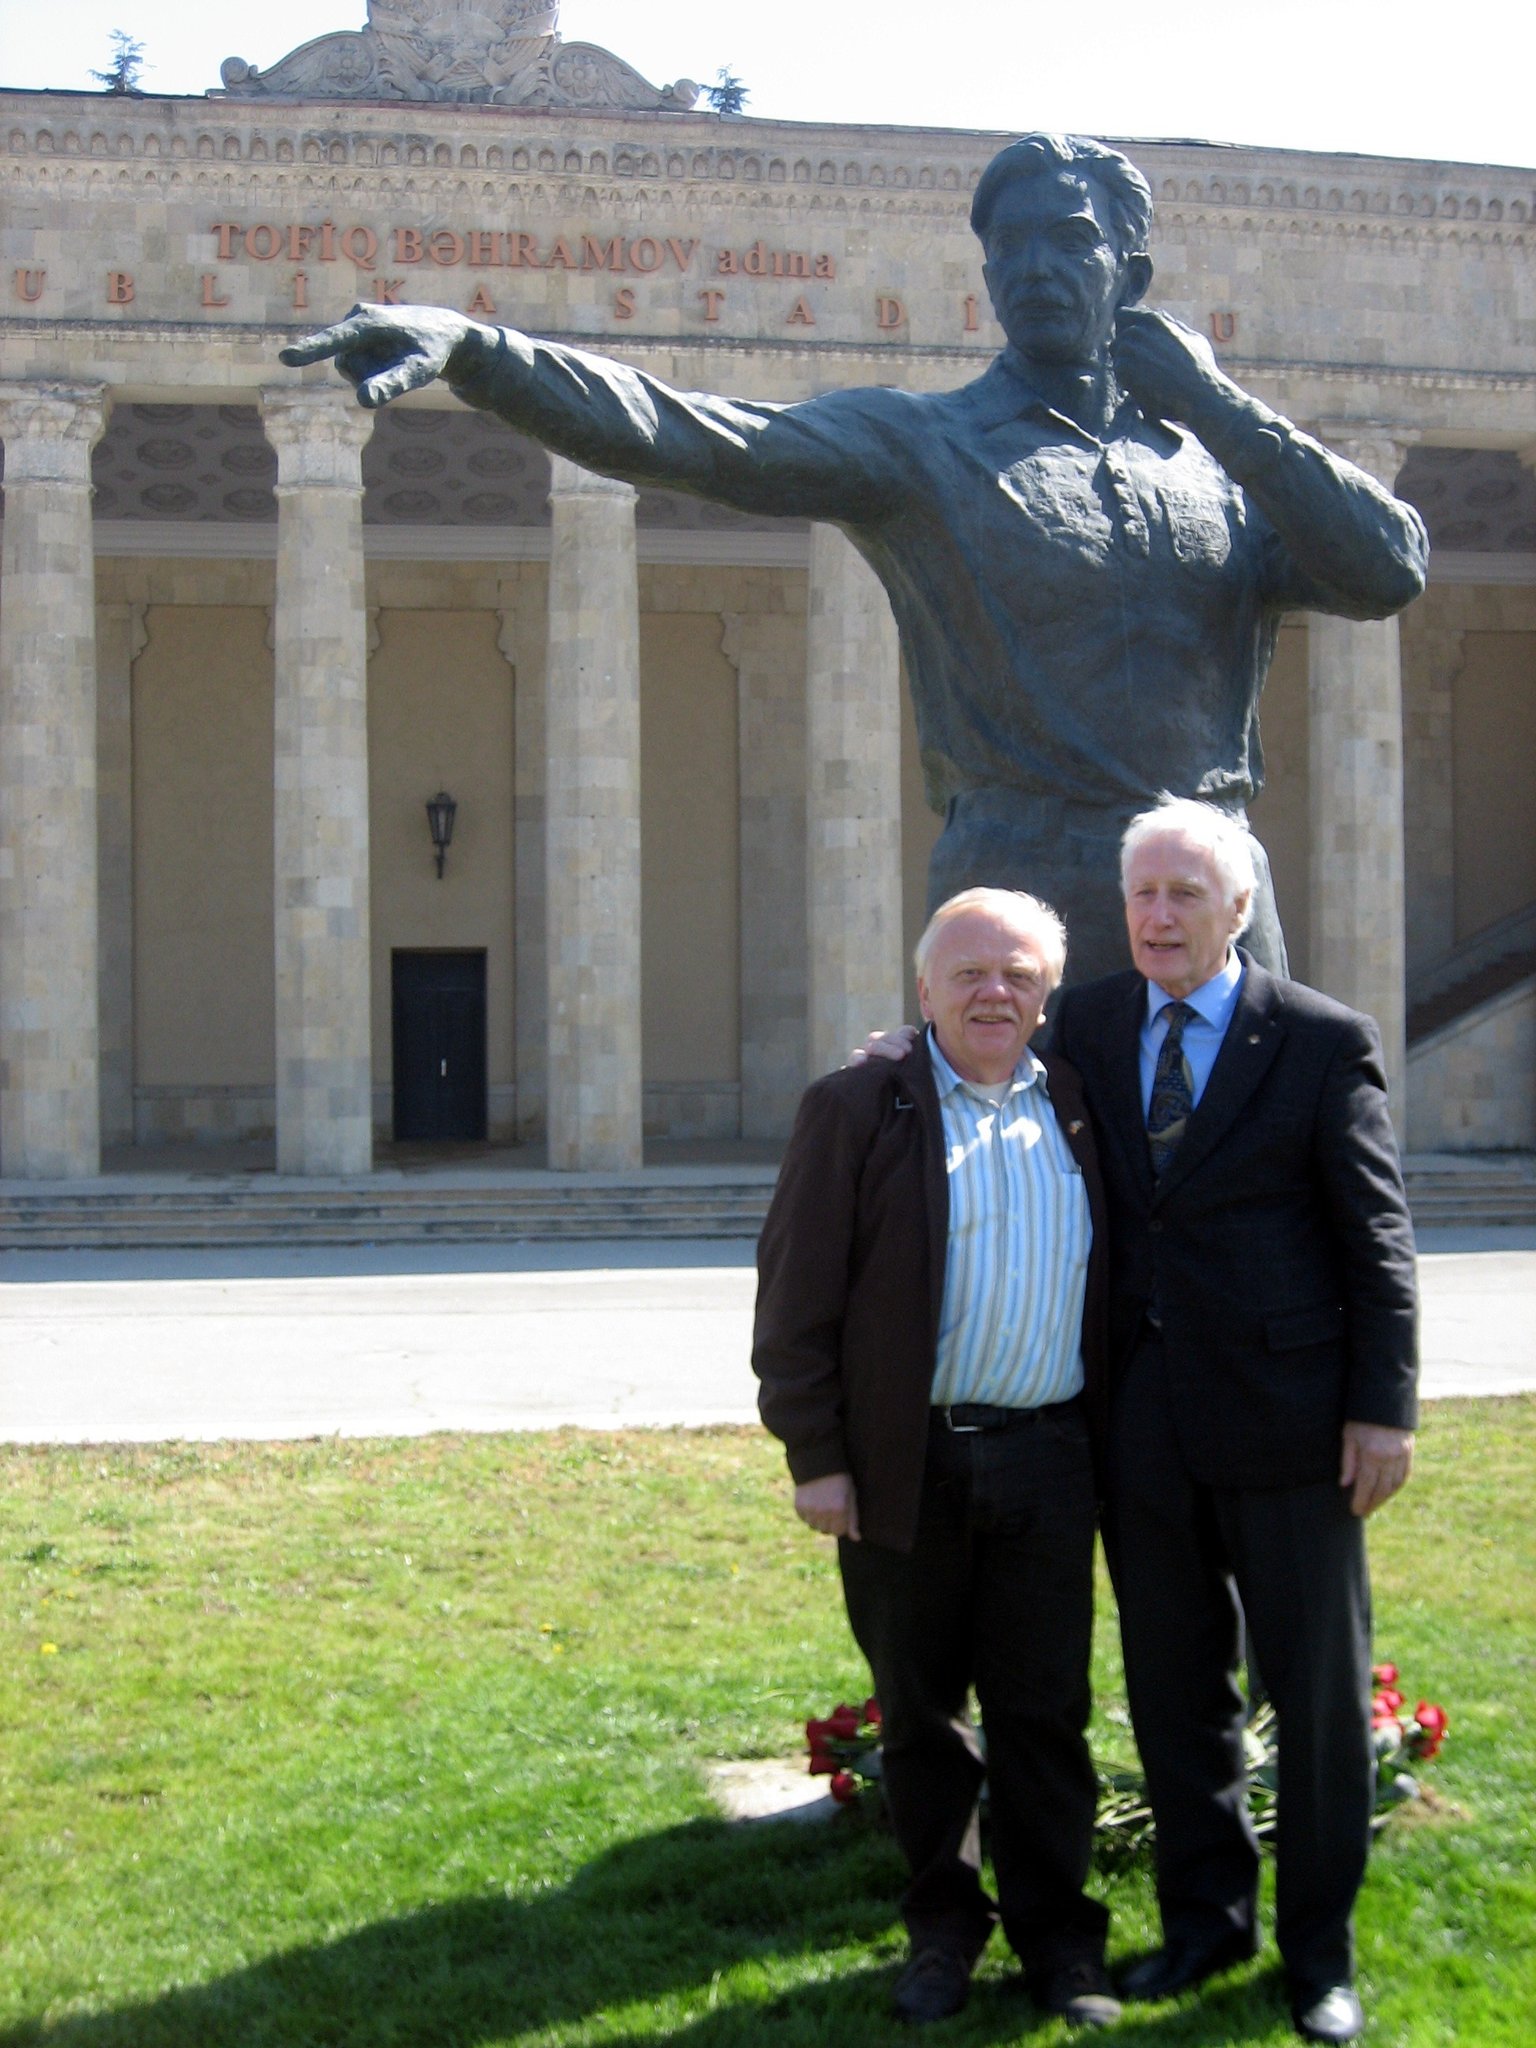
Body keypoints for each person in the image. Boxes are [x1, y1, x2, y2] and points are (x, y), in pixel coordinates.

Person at [279, 132, 1428, 985]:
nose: (1034, 265)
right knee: (1022, 1225)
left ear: (1130, 274)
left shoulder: (1221, 465)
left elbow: (1388, 568)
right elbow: (692, 435)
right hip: (1029, 892)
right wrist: (484, 352)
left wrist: (1221, 408)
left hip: (1216, 894)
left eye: (1069, 239)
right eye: (1008, 245)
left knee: (1247, 1219)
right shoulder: (924, 447)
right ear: (984, 280)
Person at [1048, 797, 1418, 2045]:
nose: (1158, 915)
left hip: (1296, 1423)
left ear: (1241, 908)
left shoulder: (1316, 1038)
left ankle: (1318, 1959)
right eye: (1143, 893)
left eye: (1186, 894)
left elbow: (1376, 1235)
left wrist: (1383, 1406)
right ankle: (1207, 1923)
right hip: (1140, 1422)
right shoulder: (1088, 1023)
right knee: (1172, 1688)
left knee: (1313, 1699)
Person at [752, 888, 1119, 2026]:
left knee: (1046, 1713)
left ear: (1047, 990)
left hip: (1051, 1459)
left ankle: (1062, 1941)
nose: (992, 990)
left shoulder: (1082, 1110)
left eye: (1015, 971)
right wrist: (816, 1453)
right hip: (909, 1467)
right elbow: (795, 1299)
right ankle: (944, 1929)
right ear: (922, 991)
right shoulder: (860, 1106)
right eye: (966, 972)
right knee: (921, 1716)